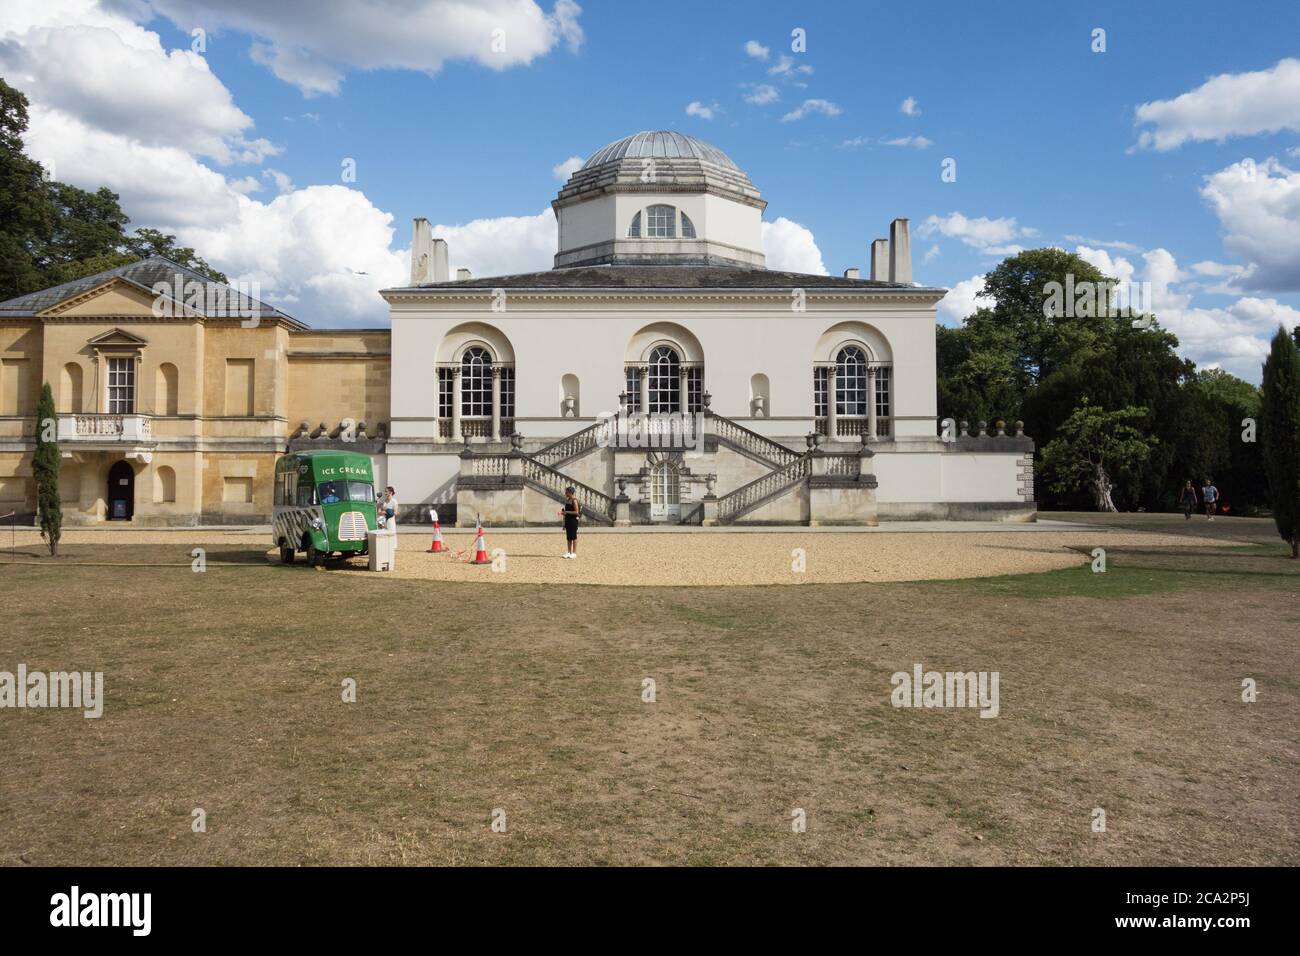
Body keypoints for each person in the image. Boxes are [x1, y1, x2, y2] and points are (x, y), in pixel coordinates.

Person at [559, 486, 580, 559]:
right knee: (568, 537)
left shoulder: (574, 500)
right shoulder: (568, 500)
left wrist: (566, 512)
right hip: (568, 520)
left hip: (573, 520)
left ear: (570, 492)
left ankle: (574, 553)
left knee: (574, 537)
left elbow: (576, 512)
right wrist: (563, 513)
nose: (565, 493)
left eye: (566, 492)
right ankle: (568, 552)